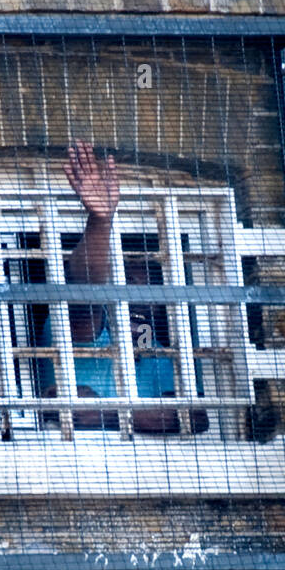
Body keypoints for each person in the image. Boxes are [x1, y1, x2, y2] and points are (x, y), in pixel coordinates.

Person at [39, 141, 190, 434]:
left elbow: (194, 418)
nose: (135, 297)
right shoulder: (81, 332)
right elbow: (86, 289)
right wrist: (100, 220)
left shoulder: (162, 355)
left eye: (147, 290)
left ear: (160, 304)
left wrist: (104, 414)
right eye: (126, 283)